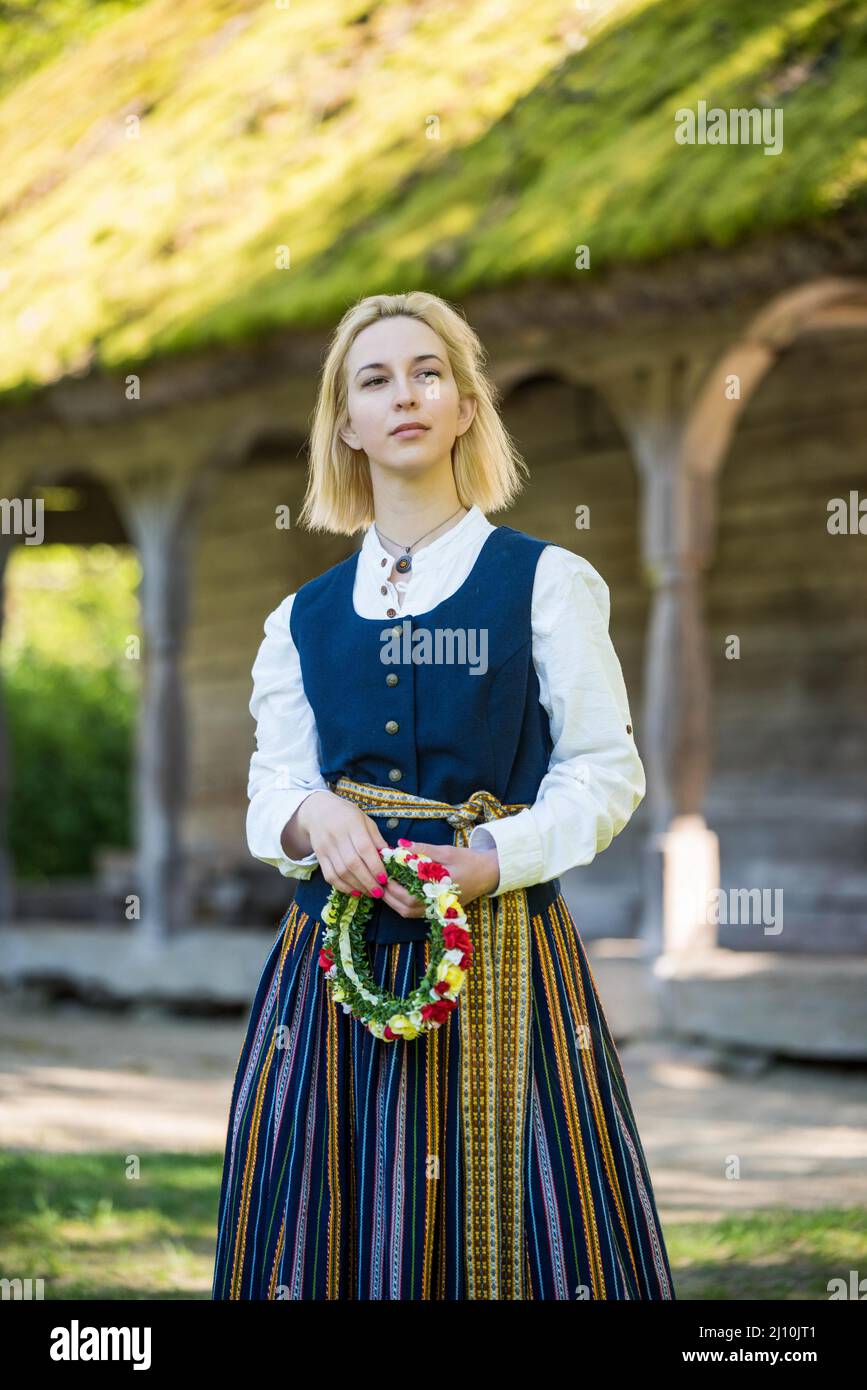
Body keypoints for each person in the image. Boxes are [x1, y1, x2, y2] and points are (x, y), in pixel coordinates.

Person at [211, 290, 676, 1301]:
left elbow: (605, 773)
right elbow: (269, 789)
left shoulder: (548, 583)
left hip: (502, 952)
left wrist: (491, 861)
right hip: (329, 968)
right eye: (373, 379)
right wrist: (313, 814)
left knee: (527, 1226)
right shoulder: (299, 617)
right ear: (346, 423)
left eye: (428, 372)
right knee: (322, 1226)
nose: (404, 394)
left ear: (466, 406)